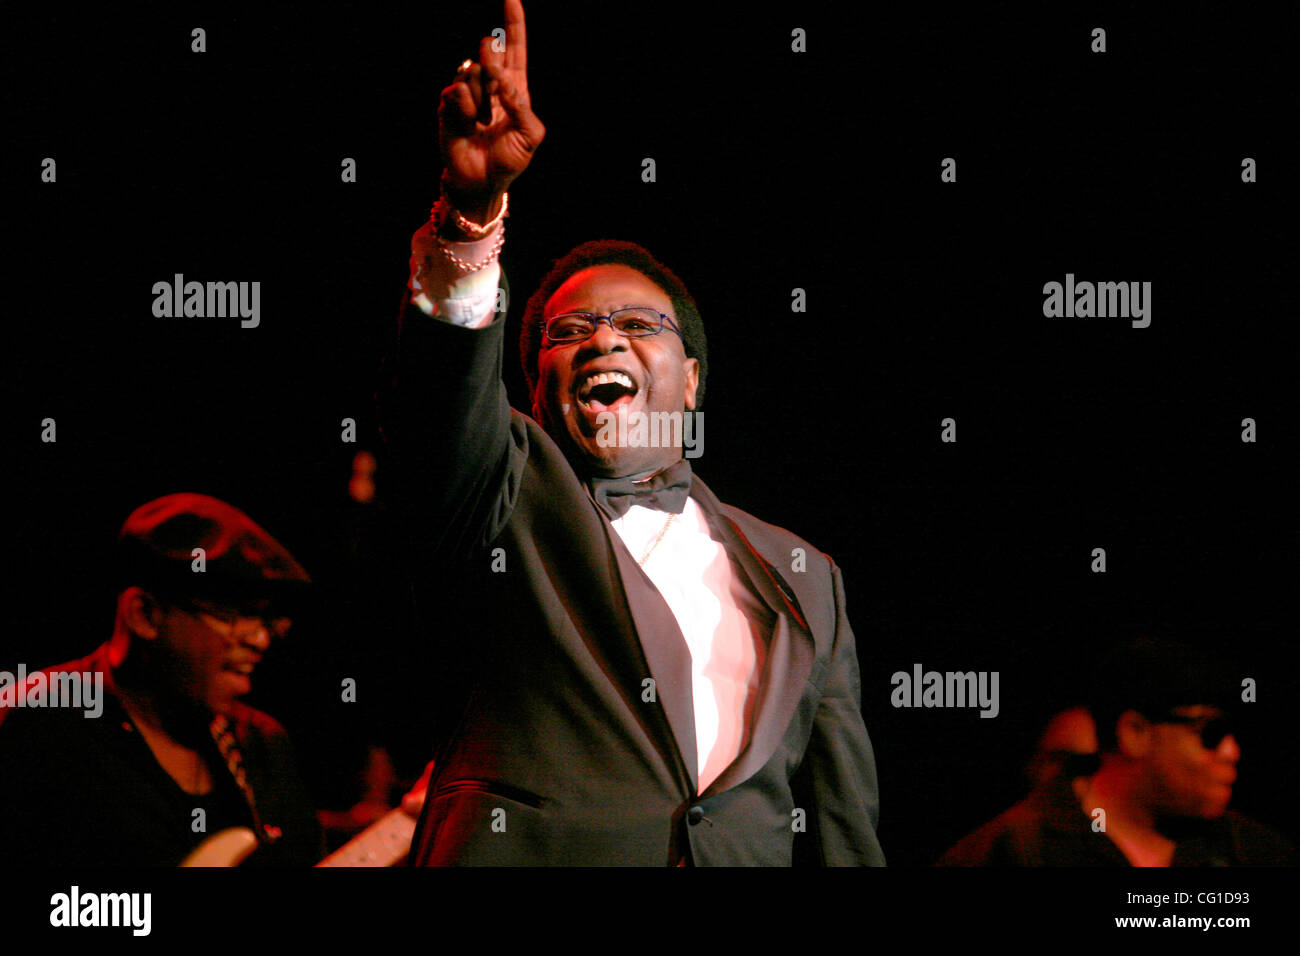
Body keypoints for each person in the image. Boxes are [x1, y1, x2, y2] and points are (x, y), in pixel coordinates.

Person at [383, 0, 883, 865]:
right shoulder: (504, 494)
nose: (604, 339)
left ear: (691, 380)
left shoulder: (805, 575)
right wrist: (471, 212)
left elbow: (841, 824)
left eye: (638, 325)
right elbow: (440, 399)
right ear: (534, 386)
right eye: (569, 333)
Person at [0, 493, 322, 866]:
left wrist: (402, 835)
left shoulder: (262, 745)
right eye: (235, 615)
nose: (260, 639)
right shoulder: (39, 723)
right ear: (145, 615)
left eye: (267, 621)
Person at [937, 638, 1294, 866]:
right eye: (1210, 733)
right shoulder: (1009, 854)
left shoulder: (1255, 853)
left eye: (1232, 732)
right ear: (1134, 733)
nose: (1232, 751)